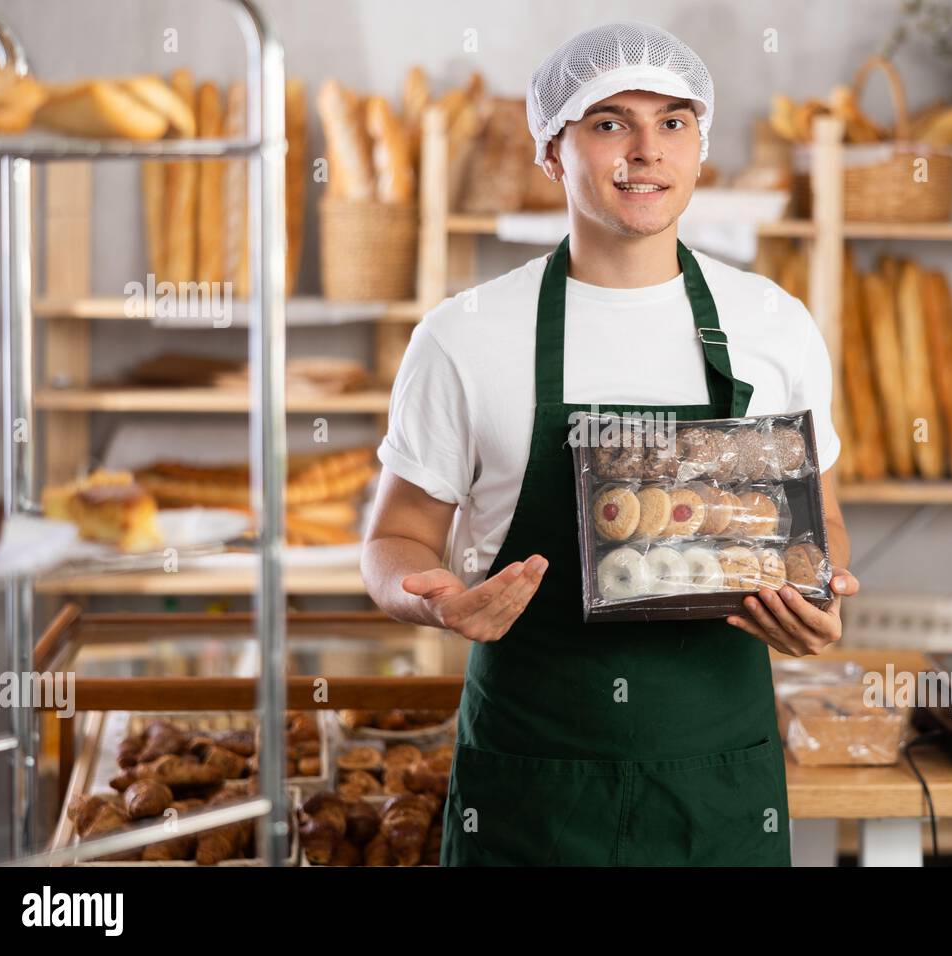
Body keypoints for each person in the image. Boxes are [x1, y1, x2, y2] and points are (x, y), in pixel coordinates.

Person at [363, 21, 859, 866]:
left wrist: (820, 603)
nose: (645, 151)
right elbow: (393, 536)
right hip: (534, 790)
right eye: (608, 123)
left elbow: (822, 522)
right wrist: (433, 600)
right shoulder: (464, 335)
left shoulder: (772, 322)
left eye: (672, 122)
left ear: (700, 148)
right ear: (552, 153)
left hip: (717, 783)